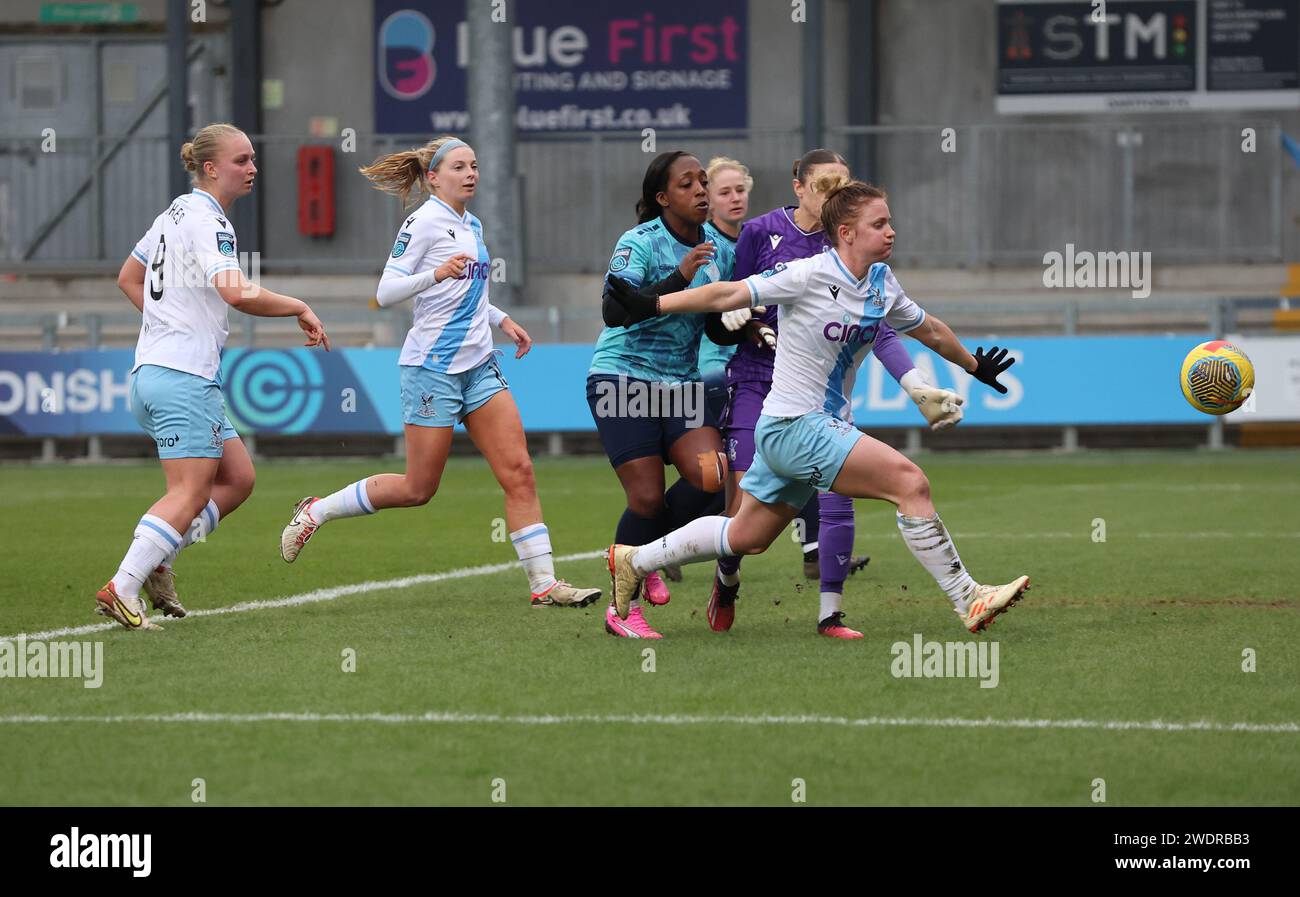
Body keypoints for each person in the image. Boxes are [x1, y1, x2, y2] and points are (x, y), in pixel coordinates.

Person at [603, 175, 1027, 637]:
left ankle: (633, 559)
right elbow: (727, 294)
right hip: (796, 425)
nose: (891, 232)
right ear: (846, 233)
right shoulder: (808, 273)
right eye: (879, 223)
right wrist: (652, 303)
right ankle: (969, 597)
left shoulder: (881, 281)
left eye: (890, 223)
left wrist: (971, 364)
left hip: (794, 430)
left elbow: (927, 329)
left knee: (746, 536)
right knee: (911, 483)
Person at [279, 135, 601, 609]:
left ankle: (544, 585)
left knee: (519, 472)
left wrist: (501, 319)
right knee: (417, 489)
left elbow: (468, 294)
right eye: (458, 167)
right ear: (432, 177)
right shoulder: (423, 222)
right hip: (432, 370)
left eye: (474, 165)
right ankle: (317, 511)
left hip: (480, 366)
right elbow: (387, 292)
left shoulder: (471, 223)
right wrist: (435, 274)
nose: (470, 173)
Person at [703, 150, 964, 637]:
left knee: (838, 498)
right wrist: (734, 321)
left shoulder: (851, 251)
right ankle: (726, 575)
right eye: (826, 184)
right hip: (759, 380)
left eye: (844, 184)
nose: (835, 193)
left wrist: (915, 385)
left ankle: (829, 613)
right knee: (742, 511)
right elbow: (731, 297)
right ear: (799, 187)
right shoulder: (764, 232)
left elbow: (883, 328)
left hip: (818, 393)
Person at [101, 122, 331, 630]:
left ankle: (159, 558)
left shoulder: (173, 213)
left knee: (238, 478)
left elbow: (128, 277)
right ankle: (123, 585)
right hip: (182, 377)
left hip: (156, 373)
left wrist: (165, 323)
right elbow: (237, 292)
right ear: (210, 169)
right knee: (189, 492)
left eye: (252, 158)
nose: (253, 167)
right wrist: (299, 305)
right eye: (242, 160)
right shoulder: (209, 220)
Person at [587, 151, 736, 638]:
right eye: (687, 183)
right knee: (647, 498)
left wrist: (741, 325)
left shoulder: (721, 248)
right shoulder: (640, 242)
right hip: (623, 379)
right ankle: (621, 613)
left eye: (703, 181)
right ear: (661, 197)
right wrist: (680, 278)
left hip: (681, 382)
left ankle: (644, 556)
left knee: (714, 477)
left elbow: (714, 324)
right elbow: (614, 310)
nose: (700, 190)